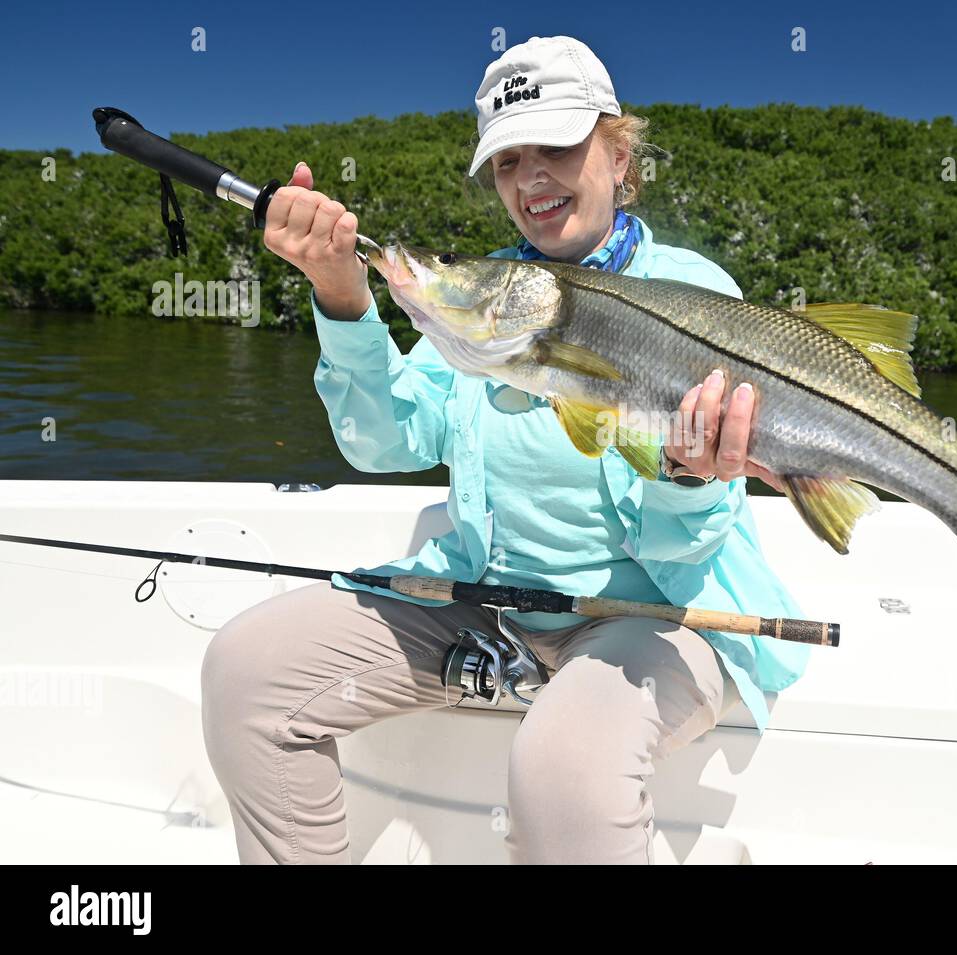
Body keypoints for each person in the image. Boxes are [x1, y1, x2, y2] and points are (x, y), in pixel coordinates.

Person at [200, 34, 811, 865]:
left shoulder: (694, 291)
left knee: (564, 764)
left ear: (619, 154)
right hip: (484, 598)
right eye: (507, 160)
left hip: (661, 613)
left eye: (557, 147)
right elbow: (383, 442)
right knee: (247, 673)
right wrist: (343, 297)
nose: (531, 180)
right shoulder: (485, 302)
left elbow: (684, 543)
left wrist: (684, 475)